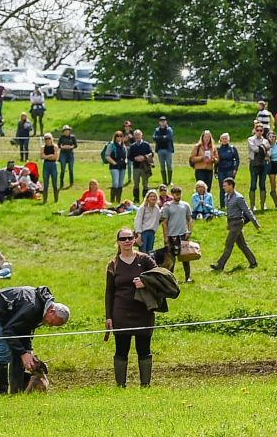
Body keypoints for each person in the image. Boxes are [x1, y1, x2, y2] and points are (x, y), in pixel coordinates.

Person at [0, 285, 67, 394]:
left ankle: (17, 392)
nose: (49, 325)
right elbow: (9, 331)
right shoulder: (32, 307)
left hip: (6, 315)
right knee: (5, 351)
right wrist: (23, 354)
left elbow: (24, 328)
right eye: (52, 322)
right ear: (51, 311)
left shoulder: (42, 309)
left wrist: (28, 350)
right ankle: (1, 393)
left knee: (18, 350)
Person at [105, 226, 161, 387]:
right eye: (123, 239)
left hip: (143, 311)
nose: (127, 241)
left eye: (130, 238)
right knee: (121, 350)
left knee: (144, 349)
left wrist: (146, 282)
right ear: (118, 242)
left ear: (135, 239)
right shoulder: (113, 264)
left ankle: (145, 385)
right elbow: (109, 292)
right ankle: (120, 386)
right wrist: (108, 316)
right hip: (121, 313)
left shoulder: (145, 260)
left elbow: (161, 277)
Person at [209, 176, 260, 272]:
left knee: (228, 244)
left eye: (225, 186)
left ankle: (220, 265)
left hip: (237, 222)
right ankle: (253, 262)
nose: (223, 187)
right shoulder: (226, 196)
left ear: (231, 186)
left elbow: (247, 210)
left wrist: (255, 223)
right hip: (232, 222)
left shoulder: (238, 198)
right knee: (242, 245)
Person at [102, 129, 129, 202]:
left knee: (120, 183)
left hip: (123, 166)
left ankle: (118, 200)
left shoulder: (124, 146)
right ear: (115, 137)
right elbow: (107, 155)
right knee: (115, 183)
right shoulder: (111, 145)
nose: (119, 138)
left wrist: (125, 161)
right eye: (118, 136)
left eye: (121, 136)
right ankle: (112, 199)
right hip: (114, 166)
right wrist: (114, 163)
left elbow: (126, 156)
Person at [133, 188, 162, 253]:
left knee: (150, 251)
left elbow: (159, 218)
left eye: (154, 196)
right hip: (143, 232)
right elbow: (138, 220)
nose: (153, 198)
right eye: (151, 196)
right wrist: (139, 234)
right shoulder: (143, 207)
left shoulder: (157, 208)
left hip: (152, 232)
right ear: (147, 198)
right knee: (143, 252)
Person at [152, 116, 175, 185]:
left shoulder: (169, 129)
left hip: (168, 150)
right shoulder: (157, 130)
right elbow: (154, 138)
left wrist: (159, 138)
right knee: (162, 166)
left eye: (164, 121)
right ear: (159, 122)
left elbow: (169, 137)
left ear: (166, 122)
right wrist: (163, 137)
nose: (162, 122)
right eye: (161, 121)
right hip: (160, 150)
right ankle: (164, 181)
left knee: (169, 165)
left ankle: (170, 181)